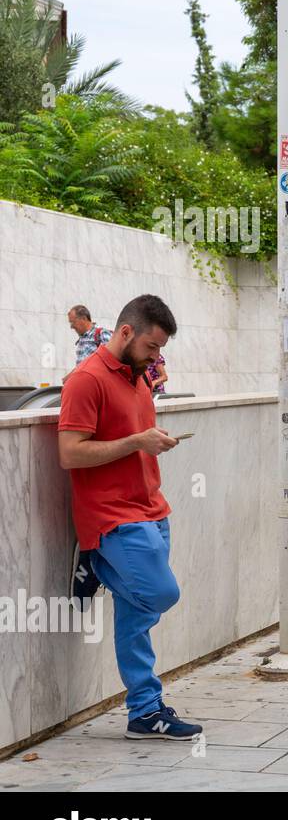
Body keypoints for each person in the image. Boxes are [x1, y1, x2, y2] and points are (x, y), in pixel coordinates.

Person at [57, 295, 204, 740]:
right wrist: (137, 441)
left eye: (161, 349)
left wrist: (150, 440)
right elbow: (69, 454)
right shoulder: (86, 380)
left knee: (136, 615)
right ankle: (96, 561)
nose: (157, 357)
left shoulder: (140, 380)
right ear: (125, 333)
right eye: (153, 347)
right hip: (112, 517)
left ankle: (144, 712)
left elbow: (133, 437)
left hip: (152, 510)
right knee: (162, 593)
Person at [65, 305, 112, 380]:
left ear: (83, 318)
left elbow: (110, 361)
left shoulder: (102, 334)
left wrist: (73, 374)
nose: (71, 326)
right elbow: (83, 364)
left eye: (73, 322)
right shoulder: (82, 339)